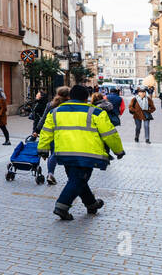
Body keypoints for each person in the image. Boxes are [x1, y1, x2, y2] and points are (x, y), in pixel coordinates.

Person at [38, 84, 123, 221]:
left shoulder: (55, 112)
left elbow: (46, 132)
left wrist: (43, 149)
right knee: (78, 180)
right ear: (86, 98)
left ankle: (91, 204)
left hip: (64, 153)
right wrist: (118, 151)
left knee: (77, 180)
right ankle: (62, 206)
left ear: (70, 97)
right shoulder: (95, 112)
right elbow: (110, 134)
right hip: (87, 155)